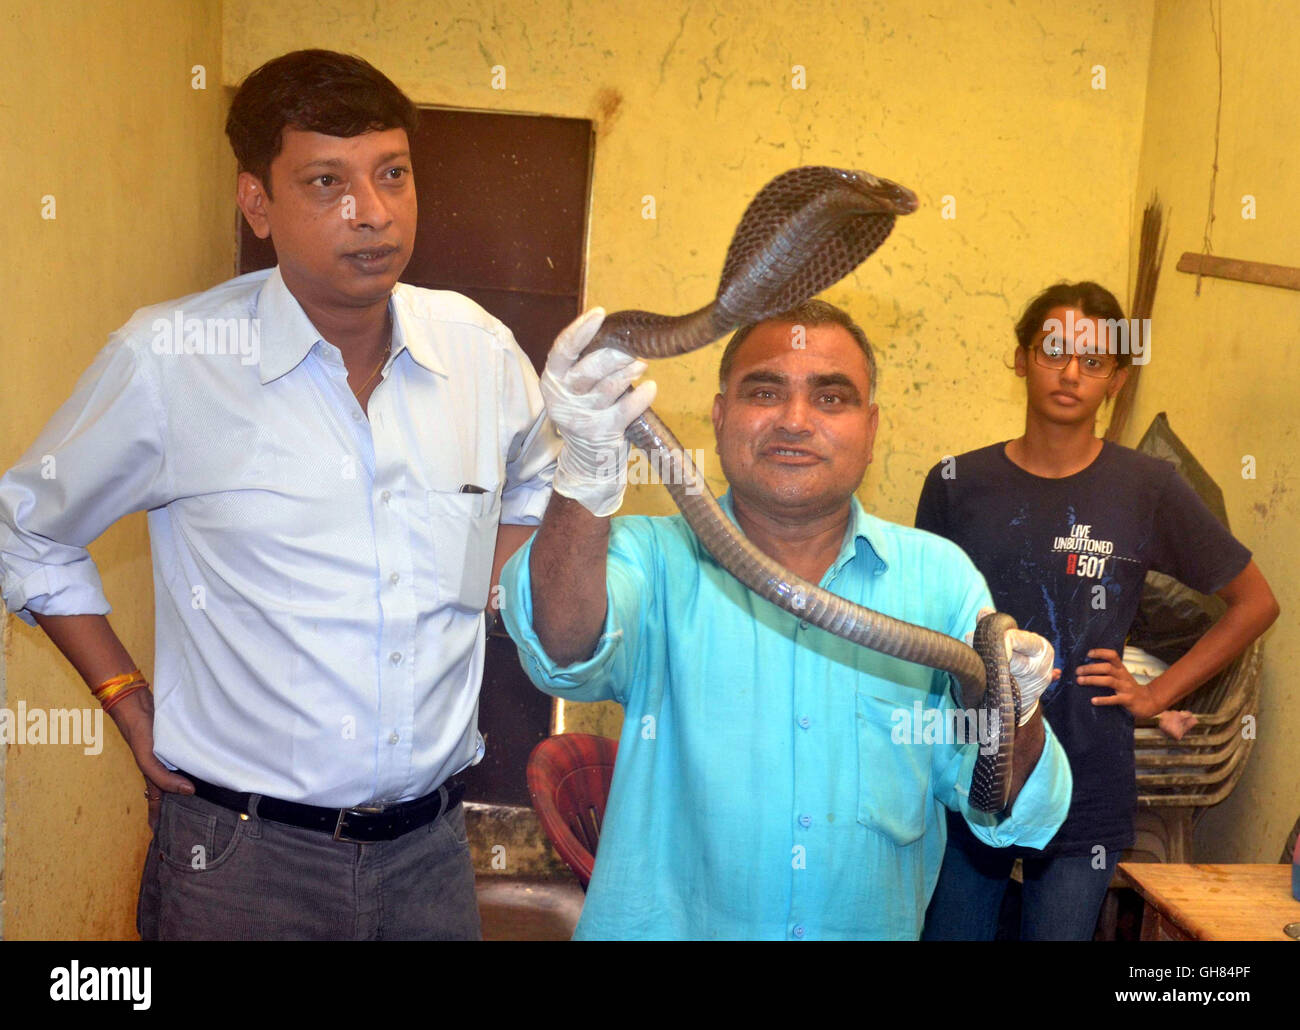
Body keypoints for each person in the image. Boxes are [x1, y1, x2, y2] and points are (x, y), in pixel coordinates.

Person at [0, 50, 559, 940]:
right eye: (327, 182)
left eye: (393, 175)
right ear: (257, 203)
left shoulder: (481, 355)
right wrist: (128, 703)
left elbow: (537, 478)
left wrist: (483, 593)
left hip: (432, 857)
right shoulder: (171, 364)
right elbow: (26, 531)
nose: (371, 212)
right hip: (240, 863)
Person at [500, 299, 1073, 940]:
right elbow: (562, 649)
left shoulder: (939, 579)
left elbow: (1007, 810)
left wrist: (1015, 714)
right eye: (765, 391)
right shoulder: (650, 556)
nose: (795, 421)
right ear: (719, 418)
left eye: (831, 398)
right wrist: (583, 474)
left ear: (872, 427)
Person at [919, 281, 1279, 941]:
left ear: (1116, 378)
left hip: (1088, 774)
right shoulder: (955, 484)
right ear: (1022, 358)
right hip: (974, 772)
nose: (1070, 372)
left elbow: (1254, 603)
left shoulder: (1147, 489)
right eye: (1053, 350)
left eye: (1093, 360)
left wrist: (1154, 695)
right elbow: (930, 626)